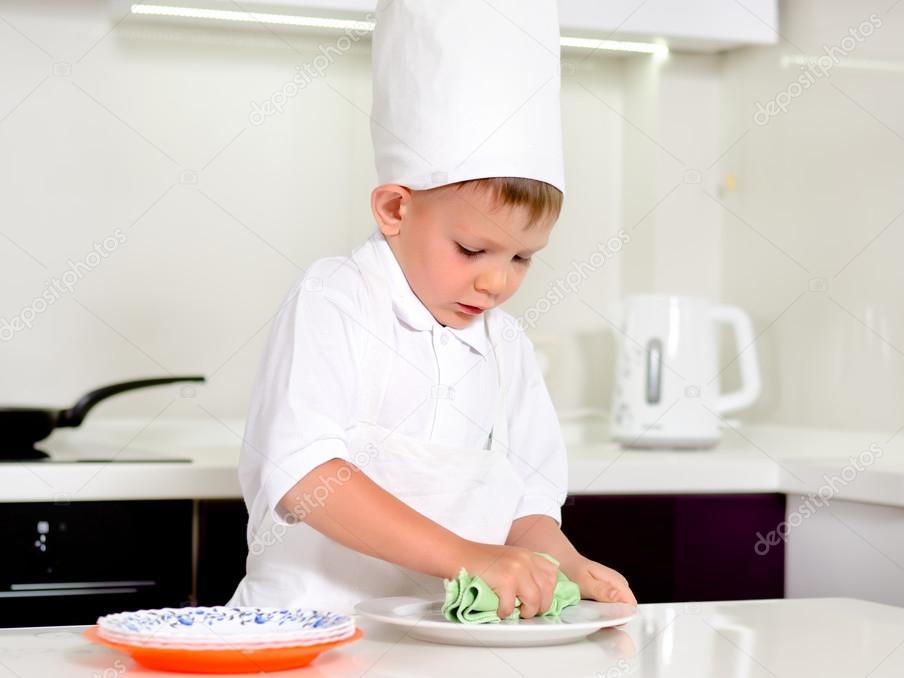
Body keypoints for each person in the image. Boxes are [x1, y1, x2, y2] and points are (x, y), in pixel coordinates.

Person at [228, 0, 636, 620]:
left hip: (437, 643)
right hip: (307, 635)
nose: (497, 281)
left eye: (524, 257)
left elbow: (528, 503)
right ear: (395, 209)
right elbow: (304, 477)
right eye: (472, 248)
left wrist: (565, 565)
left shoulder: (506, 347)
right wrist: (469, 556)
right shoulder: (336, 299)